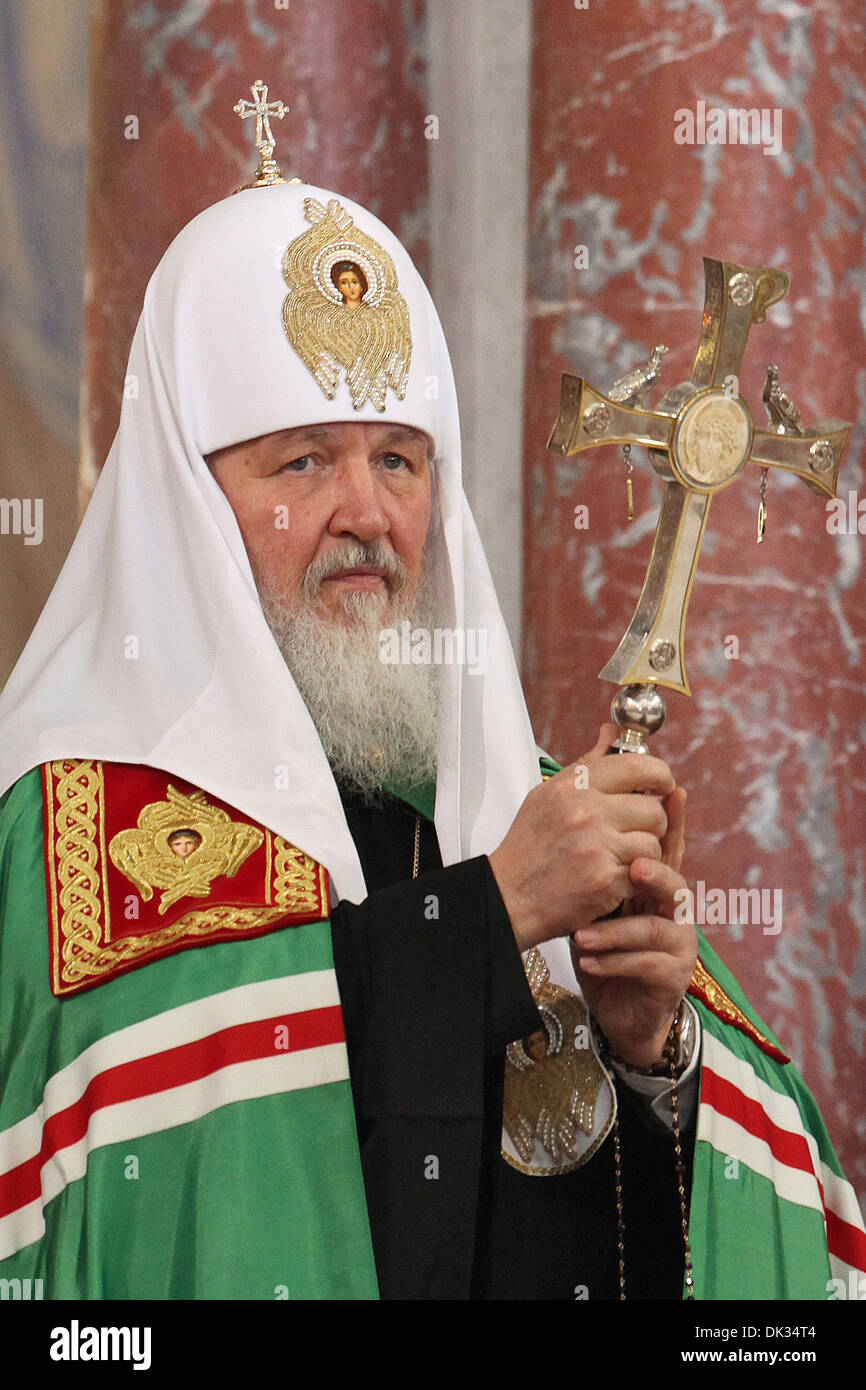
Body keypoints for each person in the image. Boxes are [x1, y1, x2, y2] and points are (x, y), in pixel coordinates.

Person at [0, 153, 862, 1301]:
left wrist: (653, 1062)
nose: (366, 513)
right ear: (186, 507)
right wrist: (489, 917)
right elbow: (167, 1143)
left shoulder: (519, 805)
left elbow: (775, 1203)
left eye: (397, 460)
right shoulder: (73, 825)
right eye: (302, 459)